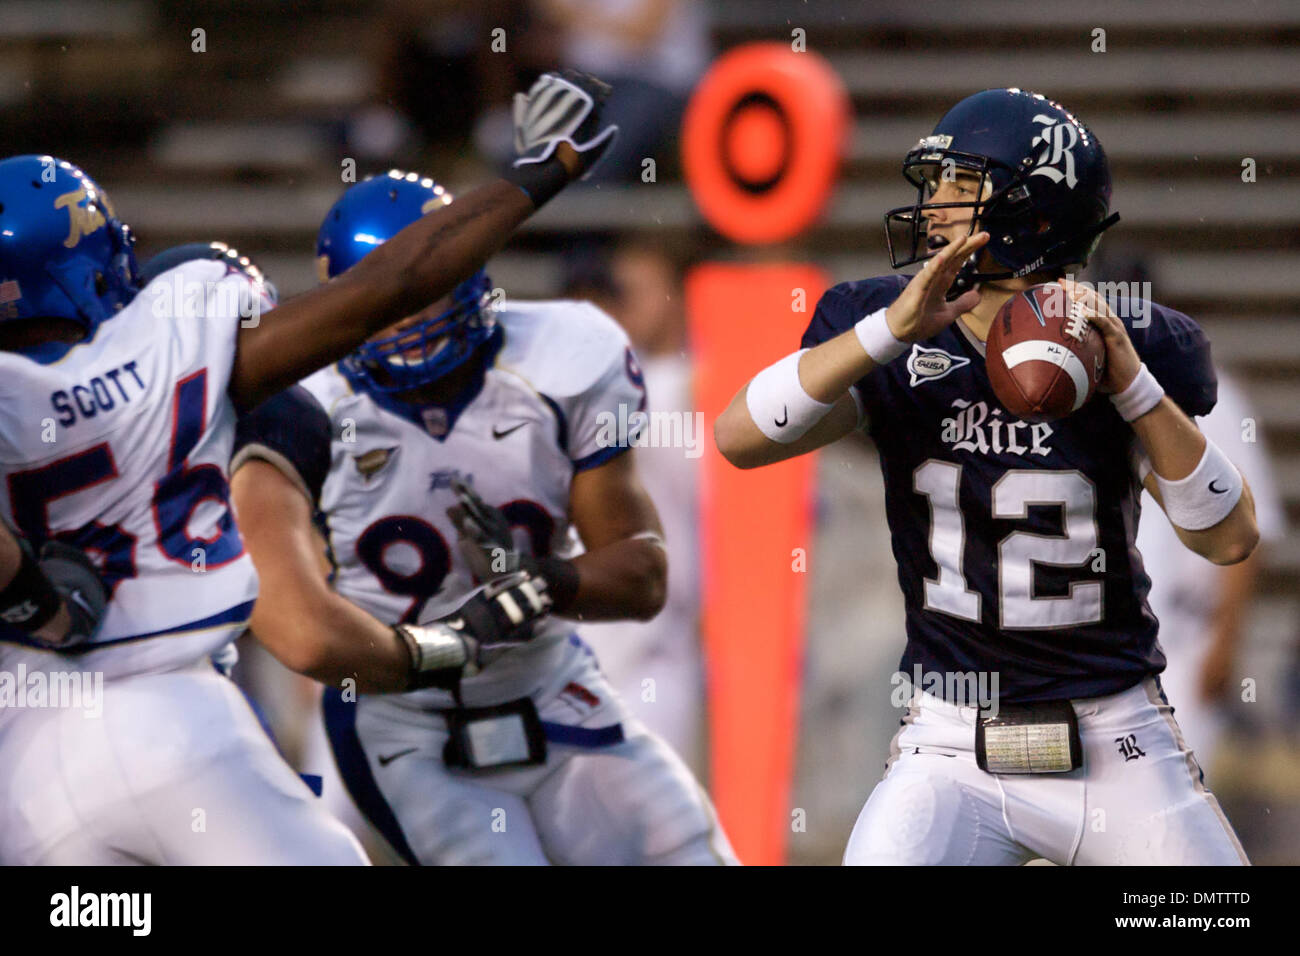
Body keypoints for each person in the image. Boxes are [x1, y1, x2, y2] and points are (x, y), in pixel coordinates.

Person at [0, 68, 617, 864]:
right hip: (169, 720)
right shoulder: (175, 335)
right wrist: (539, 173)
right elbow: (390, 284)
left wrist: (29, 604)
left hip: (22, 774)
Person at [714, 88, 1259, 865]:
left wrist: (1135, 387)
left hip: (1114, 737)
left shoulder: (1128, 341)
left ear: (1032, 212)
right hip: (951, 743)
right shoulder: (882, 330)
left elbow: (1232, 539)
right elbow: (738, 438)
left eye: (959, 186)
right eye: (934, 183)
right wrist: (886, 332)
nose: (932, 205)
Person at [227, 173, 736, 866]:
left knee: (687, 849)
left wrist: (543, 582)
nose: (411, 314)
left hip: (546, 679)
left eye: (426, 284)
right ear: (350, 302)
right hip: (403, 715)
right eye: (392, 293)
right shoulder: (305, 406)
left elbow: (642, 574)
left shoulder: (561, 357)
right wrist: (430, 650)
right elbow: (297, 622)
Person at [1137, 369, 1286, 770]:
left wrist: (1225, 641)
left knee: (1175, 788)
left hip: (1183, 642)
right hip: (1104, 642)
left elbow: (1249, 533)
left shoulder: (1204, 386)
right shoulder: (1068, 382)